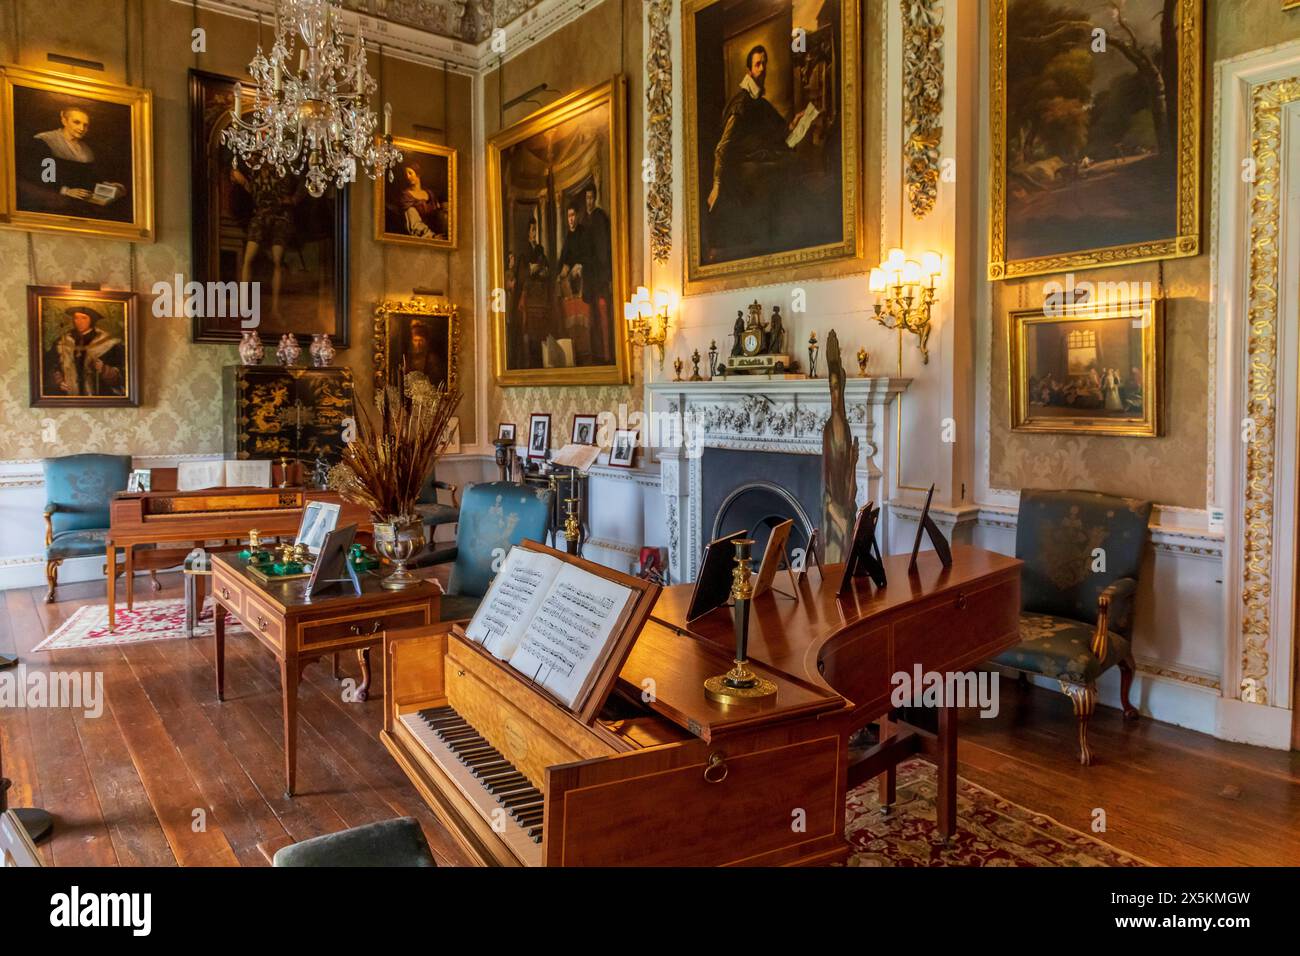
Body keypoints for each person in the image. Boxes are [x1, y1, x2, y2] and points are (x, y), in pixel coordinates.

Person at [20, 105, 127, 218]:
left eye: (85, 125)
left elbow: (86, 177)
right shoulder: (46, 140)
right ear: (64, 121)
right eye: (76, 122)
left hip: (81, 197)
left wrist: (106, 185)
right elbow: (42, 176)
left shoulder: (85, 148)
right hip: (54, 196)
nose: (82, 128)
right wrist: (66, 191)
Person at [233, 164, 299, 322]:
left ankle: (275, 308)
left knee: (277, 262)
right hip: (260, 217)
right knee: (248, 259)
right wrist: (240, 179)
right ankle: (243, 307)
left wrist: (294, 199)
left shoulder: (283, 171)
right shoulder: (253, 171)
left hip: (279, 218)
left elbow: (305, 182)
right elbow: (250, 189)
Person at [43, 305, 126, 397]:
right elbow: (50, 365)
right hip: (68, 397)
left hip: (100, 397)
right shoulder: (62, 341)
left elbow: (123, 373)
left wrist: (104, 369)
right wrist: (58, 380)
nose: (79, 322)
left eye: (84, 318)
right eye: (76, 318)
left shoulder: (109, 343)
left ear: (92, 320)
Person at [394, 164, 446, 239]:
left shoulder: (430, 193)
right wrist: (432, 236)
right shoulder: (405, 197)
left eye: (410, 173)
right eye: (405, 174)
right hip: (424, 236)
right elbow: (414, 223)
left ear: (418, 174)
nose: (407, 177)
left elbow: (439, 215)